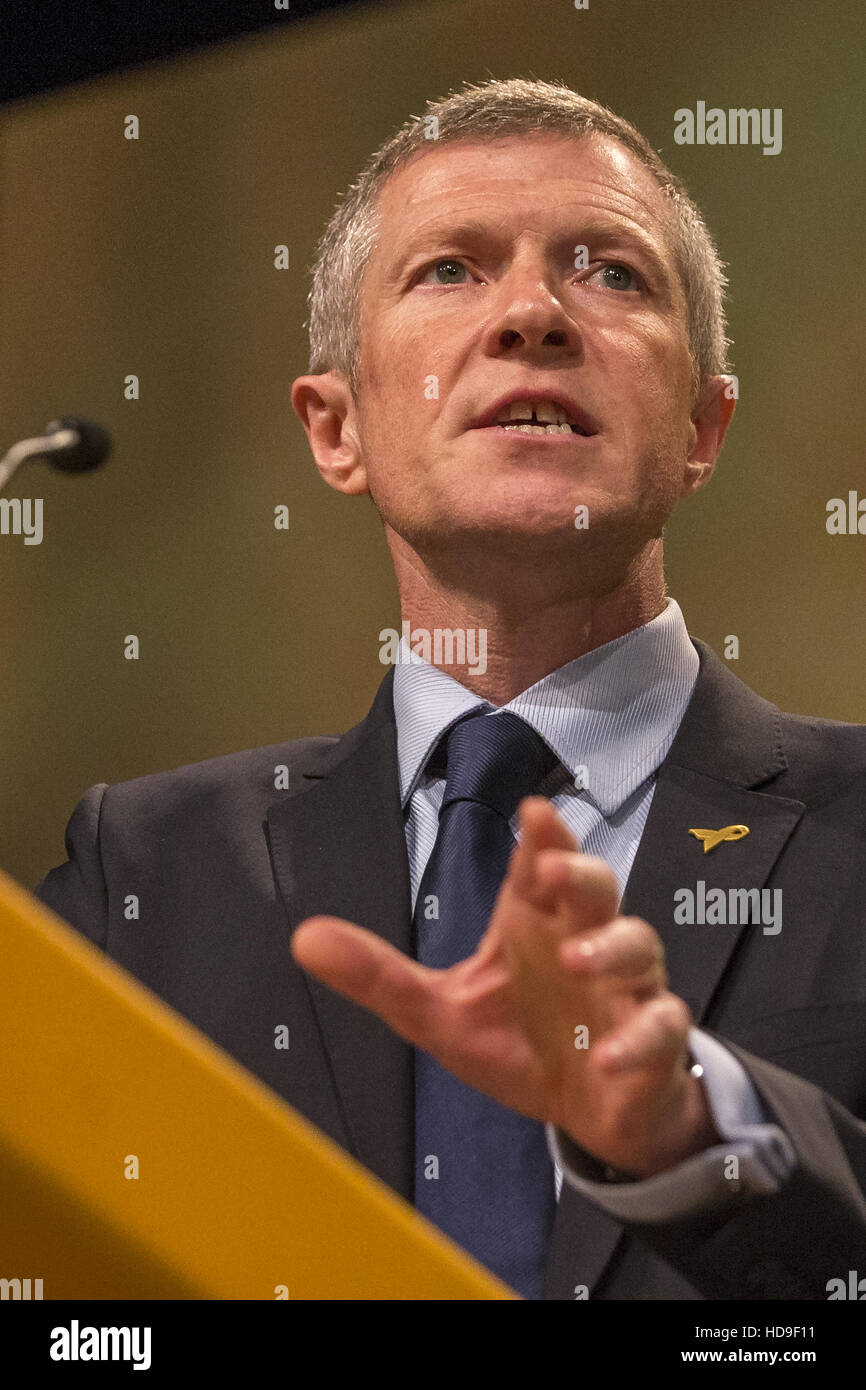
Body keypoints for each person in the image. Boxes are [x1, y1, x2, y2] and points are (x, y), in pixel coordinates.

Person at [37, 79, 866, 1301]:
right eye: (448, 271)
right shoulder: (145, 873)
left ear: (702, 426)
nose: (530, 313)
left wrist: (695, 1128)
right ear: (336, 429)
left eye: (611, 274)